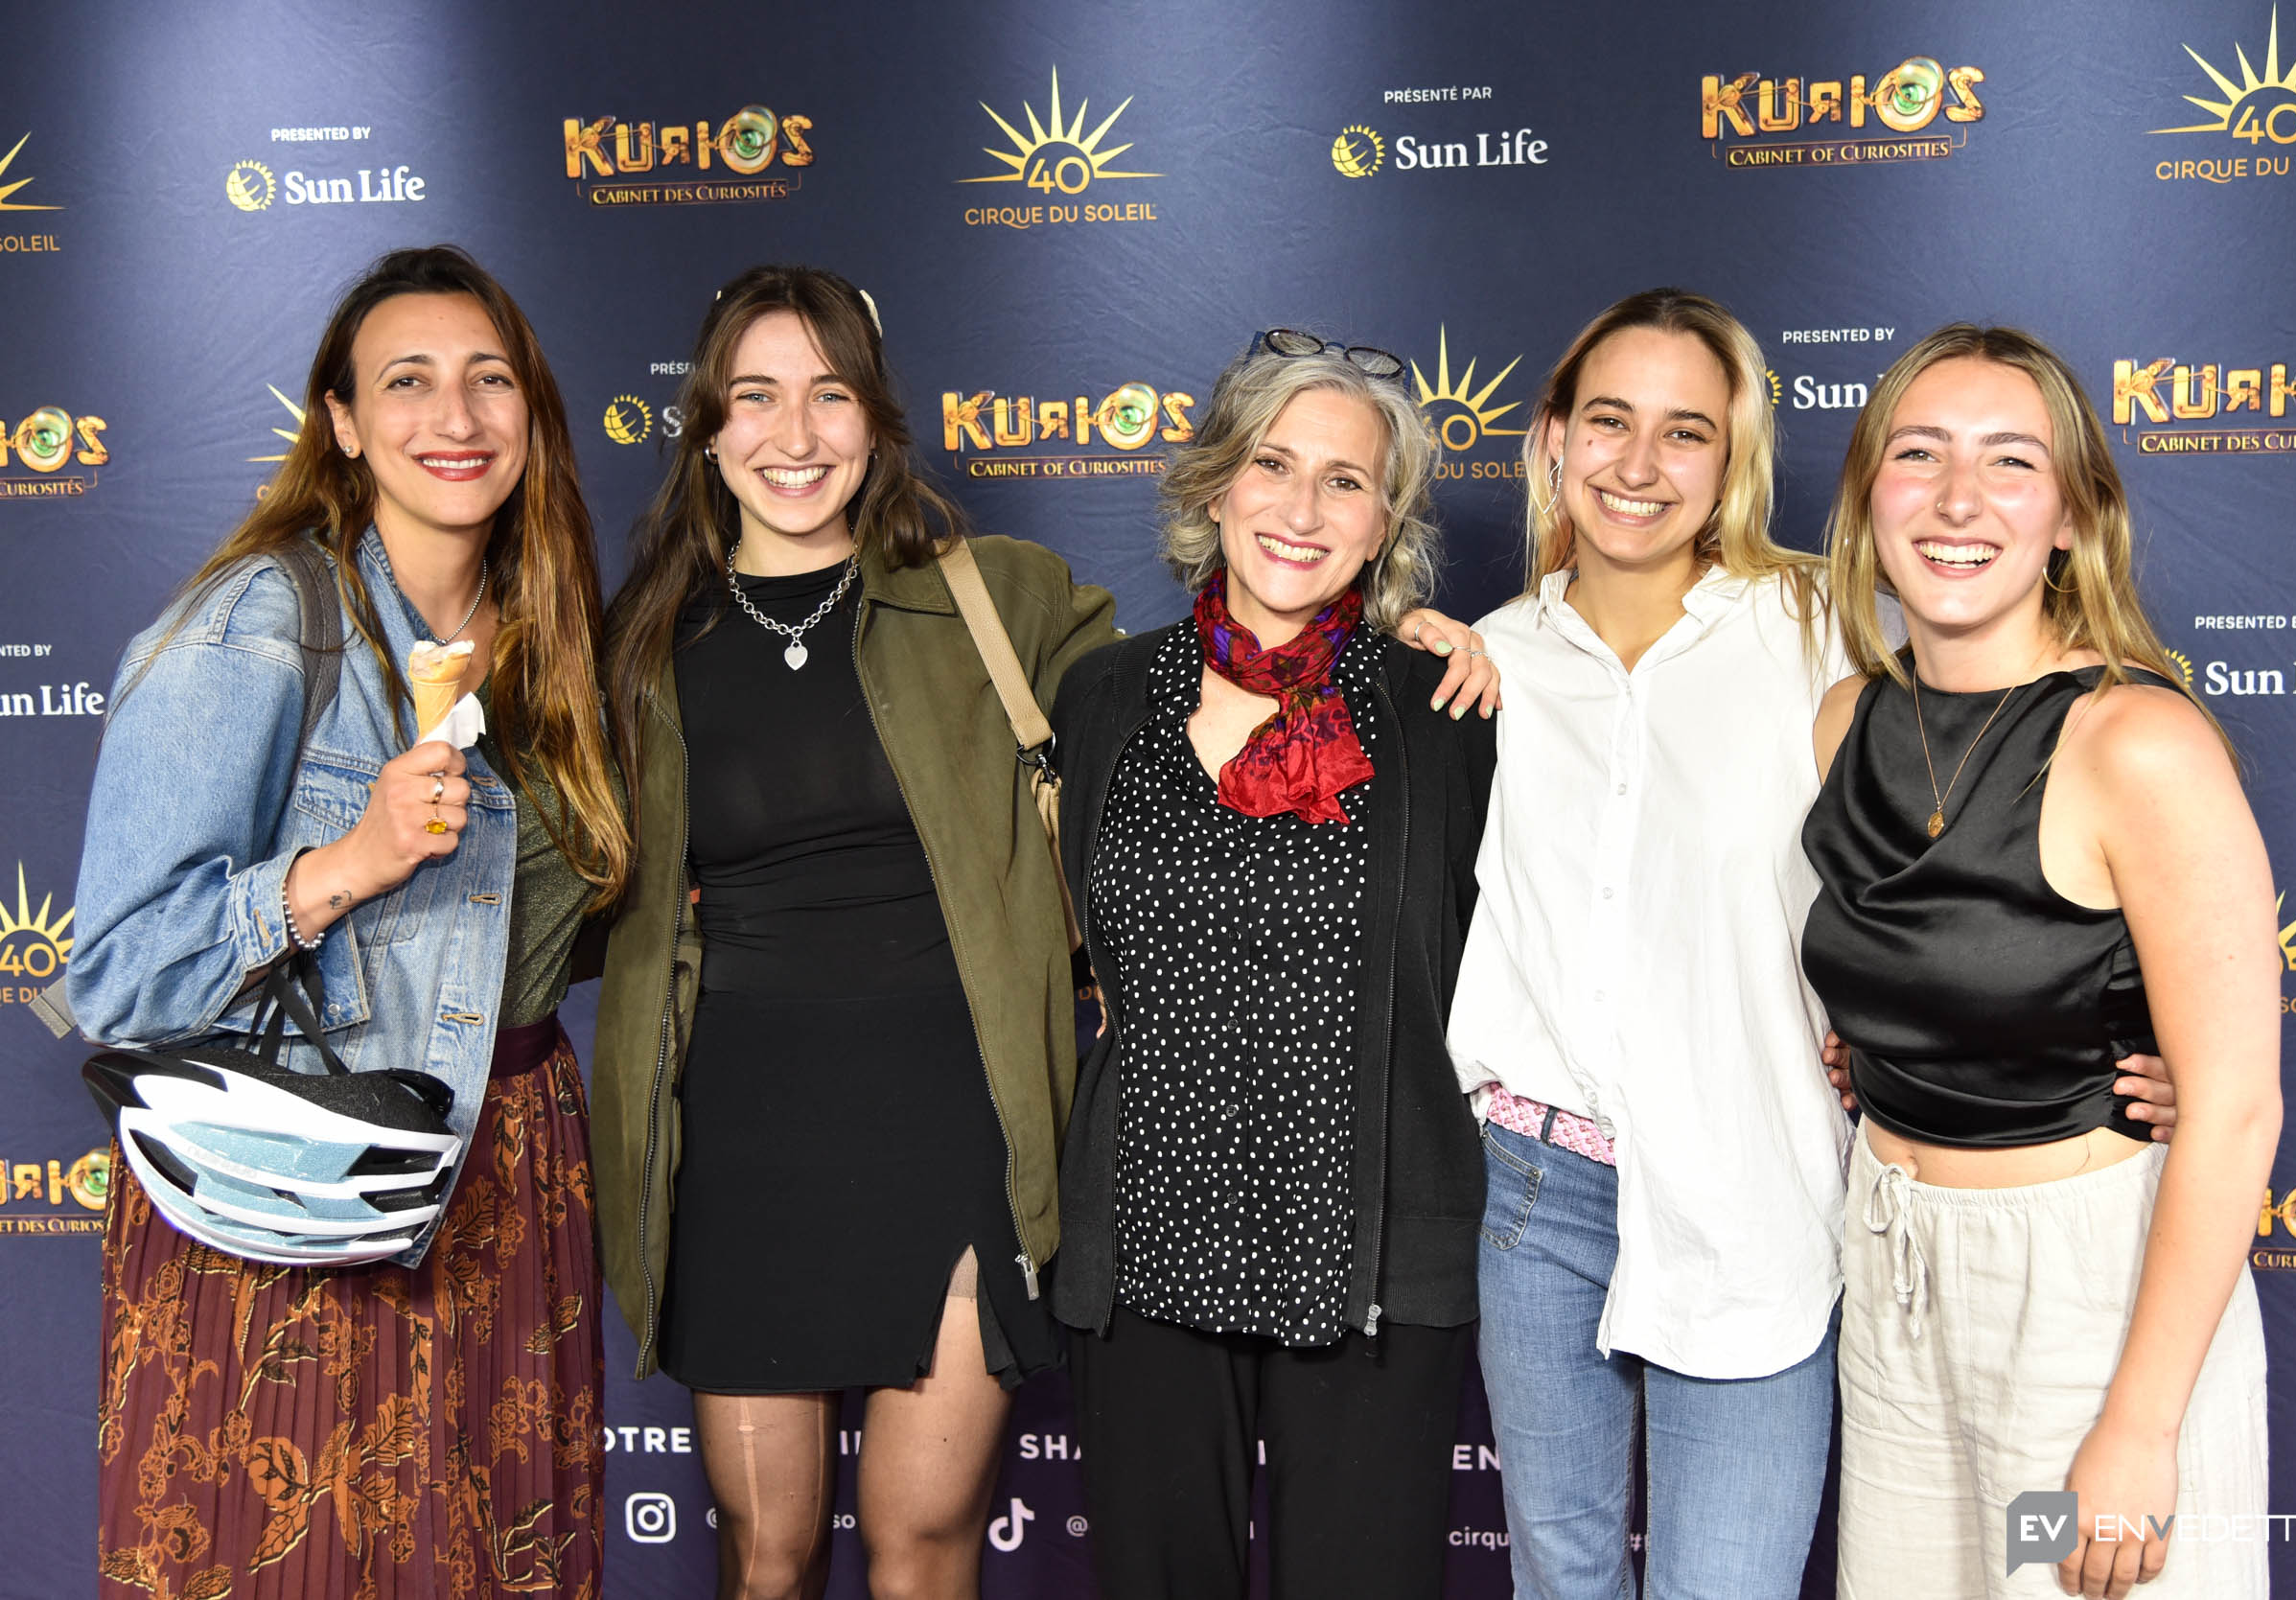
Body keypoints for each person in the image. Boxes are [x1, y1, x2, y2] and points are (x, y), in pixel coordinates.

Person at [591, 279, 1501, 1600]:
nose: (796, 432)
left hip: (1027, 1148)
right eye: (757, 395)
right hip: (836, 1156)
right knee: (766, 1552)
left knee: (923, 1546)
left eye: (832, 393)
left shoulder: (1028, 613)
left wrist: (1427, 643)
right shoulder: (647, 645)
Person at [1446, 290, 2185, 1600]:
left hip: (1754, 1185)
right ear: (1551, 438)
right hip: (1537, 1189)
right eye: (1608, 421)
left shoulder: (1823, 630)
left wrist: (2152, 1032)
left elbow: (2042, 756)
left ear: (1733, 456)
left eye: (1686, 431)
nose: (1638, 463)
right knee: (1559, 1578)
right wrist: (1409, 641)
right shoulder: (1486, 660)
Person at [71, 244, 626, 1596]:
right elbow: (118, 975)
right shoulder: (261, 620)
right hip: (301, 1202)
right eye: (408, 382)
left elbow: (537, 937)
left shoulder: (558, 638)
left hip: (510, 1183)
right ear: (342, 421)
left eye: (490, 379)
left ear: (533, 409)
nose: (456, 416)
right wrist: (345, 864)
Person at [1803, 325, 2277, 1599]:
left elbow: (2235, 1106)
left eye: (2010, 461)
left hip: (2086, 1299)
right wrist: (1893, 1043)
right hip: (1894, 1270)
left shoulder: (2138, 741)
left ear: (2069, 516)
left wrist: (2141, 1423)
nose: (1958, 500)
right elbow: (1930, 953)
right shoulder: (1847, 719)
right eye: (1919, 454)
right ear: (1868, 495)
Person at [1049, 329, 1496, 1600]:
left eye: (1345, 481)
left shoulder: (1448, 706)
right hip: (1148, 1230)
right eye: (1272, 464)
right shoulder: (1103, 696)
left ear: (1386, 520)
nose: (1302, 509)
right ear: (1214, 485)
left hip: (1372, 1243)